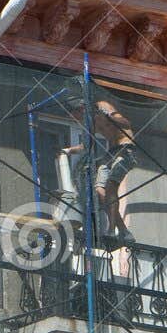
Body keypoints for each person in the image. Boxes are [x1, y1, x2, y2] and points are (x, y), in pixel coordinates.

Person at [65, 99, 138, 245]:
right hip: (111, 152)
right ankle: (123, 230)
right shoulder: (91, 123)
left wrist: (111, 117)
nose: (79, 120)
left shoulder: (103, 106)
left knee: (111, 187)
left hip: (126, 149)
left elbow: (126, 124)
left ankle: (112, 230)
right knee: (100, 190)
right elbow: (86, 145)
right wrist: (68, 150)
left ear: (81, 109)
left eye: (77, 116)